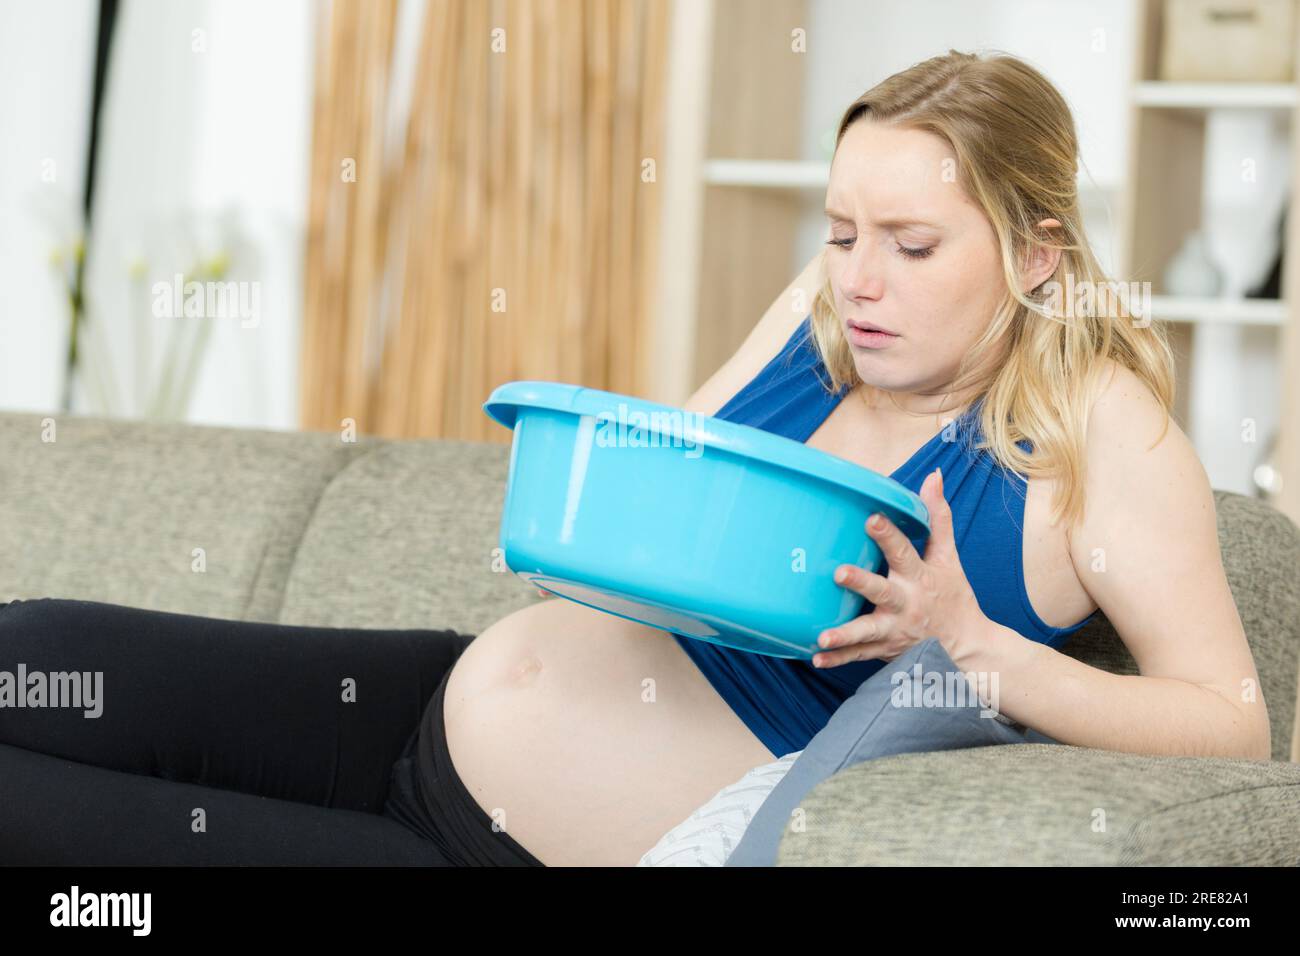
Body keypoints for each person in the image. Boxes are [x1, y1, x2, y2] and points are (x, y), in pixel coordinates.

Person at [0, 49, 1269, 867]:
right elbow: (666, 492)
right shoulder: (822, 317)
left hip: (491, 849)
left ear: (1039, 253)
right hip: (421, 706)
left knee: (38, 816)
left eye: (912, 244)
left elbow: (1231, 726)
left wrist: (976, 643)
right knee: (34, 651)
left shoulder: (1106, 438)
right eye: (840, 230)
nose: (861, 276)